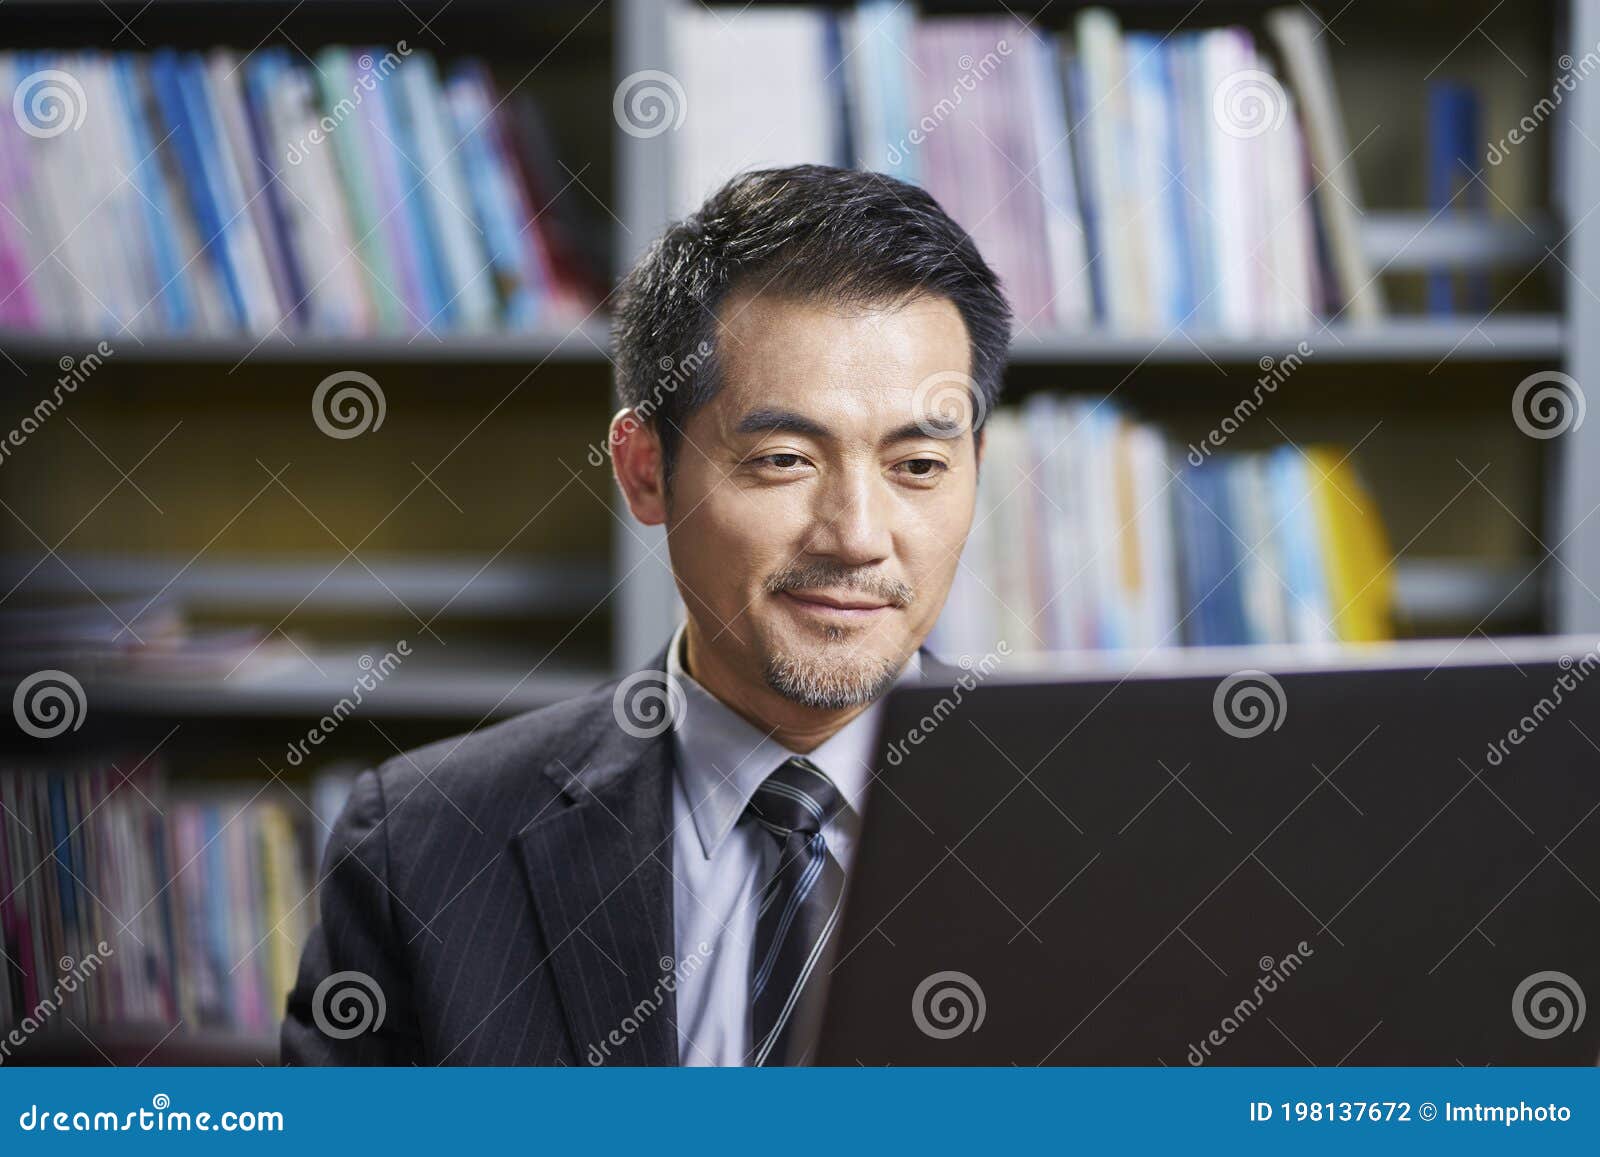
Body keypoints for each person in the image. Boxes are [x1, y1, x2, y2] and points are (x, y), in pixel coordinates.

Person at [281, 163, 1013, 1065]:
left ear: (975, 467)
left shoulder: (1107, 829)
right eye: (785, 459)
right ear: (643, 470)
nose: (857, 537)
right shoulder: (422, 849)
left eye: (919, 467)